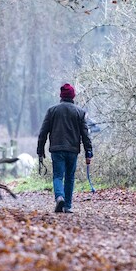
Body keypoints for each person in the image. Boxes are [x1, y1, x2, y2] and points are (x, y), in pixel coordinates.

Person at [37, 83, 93, 213]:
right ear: (73, 96)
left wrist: (40, 151)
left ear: (61, 96)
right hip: (72, 150)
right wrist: (88, 152)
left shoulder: (52, 111)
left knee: (57, 176)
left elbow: (43, 132)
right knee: (70, 177)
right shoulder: (80, 112)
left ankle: (59, 197)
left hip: (57, 150)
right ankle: (67, 206)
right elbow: (85, 134)